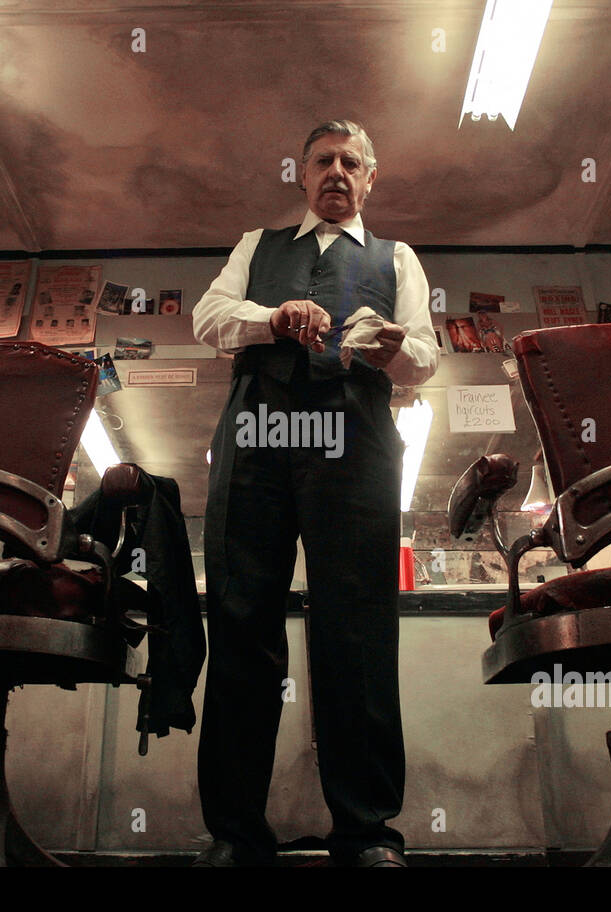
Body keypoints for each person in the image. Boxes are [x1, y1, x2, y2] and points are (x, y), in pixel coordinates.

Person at [191, 120, 439, 866]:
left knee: (356, 630)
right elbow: (207, 318)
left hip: (354, 443)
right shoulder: (255, 247)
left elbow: (427, 356)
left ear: (370, 179)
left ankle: (366, 833)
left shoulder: (398, 258)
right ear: (300, 174)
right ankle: (234, 835)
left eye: (351, 163)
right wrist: (272, 317)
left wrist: (399, 347)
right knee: (240, 621)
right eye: (323, 161)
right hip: (258, 437)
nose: (337, 172)